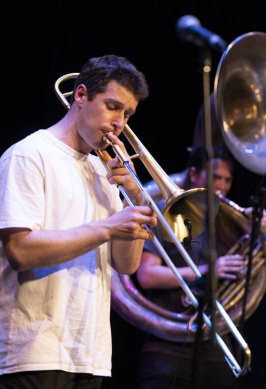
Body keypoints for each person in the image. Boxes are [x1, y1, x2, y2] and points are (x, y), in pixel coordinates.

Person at [0, 55, 156, 388]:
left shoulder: (105, 172)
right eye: (113, 107)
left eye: (128, 114)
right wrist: (108, 228)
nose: (120, 123)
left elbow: (125, 264)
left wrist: (135, 198)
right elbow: (20, 251)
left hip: (91, 355)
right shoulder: (30, 154)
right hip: (34, 350)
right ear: (80, 96)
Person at [135, 144, 266, 389]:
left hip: (218, 345)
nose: (222, 186)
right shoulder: (169, 215)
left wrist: (263, 230)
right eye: (216, 177)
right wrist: (207, 270)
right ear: (194, 174)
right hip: (169, 345)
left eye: (227, 180)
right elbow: (147, 276)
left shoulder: (232, 220)